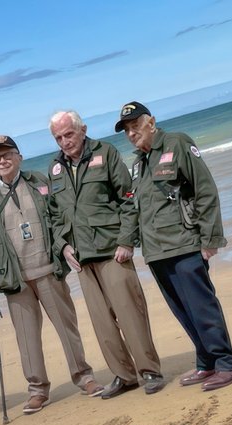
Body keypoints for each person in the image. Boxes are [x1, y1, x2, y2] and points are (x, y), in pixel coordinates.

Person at [116, 101, 232, 391]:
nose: (131, 133)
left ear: (151, 122)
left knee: (202, 307)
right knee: (183, 311)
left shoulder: (177, 143)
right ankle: (206, 362)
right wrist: (127, 241)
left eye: (135, 126)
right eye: (126, 130)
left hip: (184, 244)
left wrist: (210, 239)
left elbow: (205, 189)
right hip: (156, 251)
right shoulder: (138, 164)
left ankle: (227, 362)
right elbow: (135, 208)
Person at [0, 135, 104, 414]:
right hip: (14, 280)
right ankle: (37, 390)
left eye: (8, 154)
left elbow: (59, 218)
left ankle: (84, 377)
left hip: (48, 271)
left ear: (19, 157)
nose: (2, 161)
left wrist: (64, 246)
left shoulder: (39, 182)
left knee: (67, 328)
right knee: (27, 339)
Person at [47, 110, 165, 399]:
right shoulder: (55, 169)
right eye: (58, 137)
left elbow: (128, 199)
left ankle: (150, 371)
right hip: (82, 258)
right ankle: (125, 376)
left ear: (83, 130)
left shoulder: (106, 153)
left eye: (69, 134)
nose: (64, 141)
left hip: (113, 251)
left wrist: (126, 241)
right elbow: (54, 216)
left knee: (130, 314)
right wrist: (63, 246)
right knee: (103, 324)